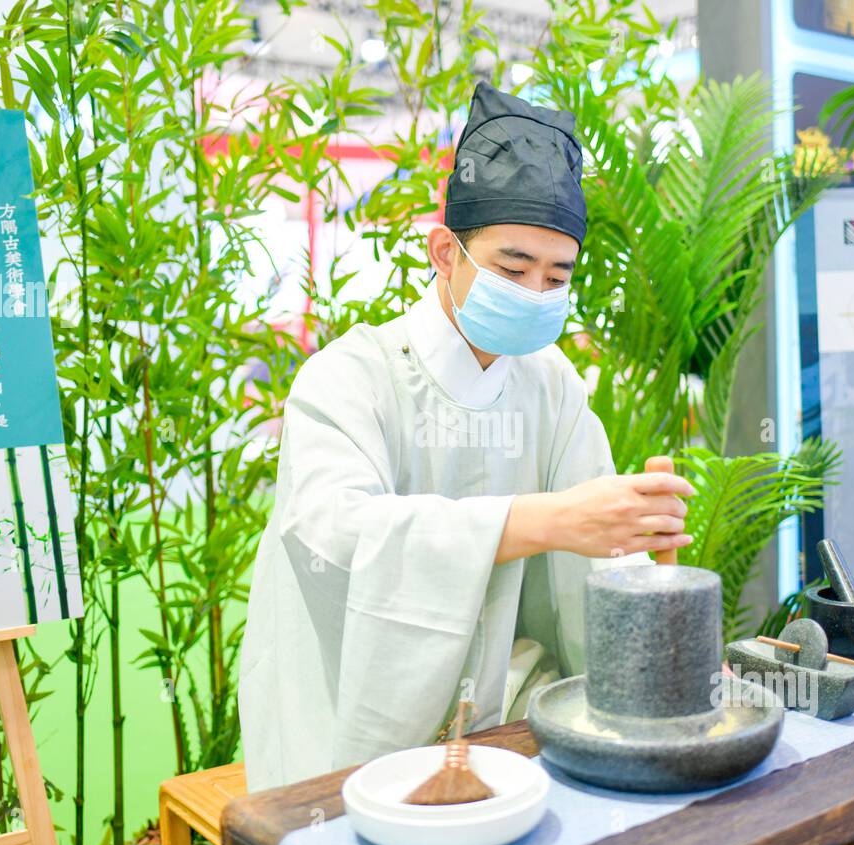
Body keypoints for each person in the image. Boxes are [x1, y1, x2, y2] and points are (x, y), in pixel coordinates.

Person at [238, 82, 692, 791]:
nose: (536, 293)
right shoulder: (349, 378)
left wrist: (661, 641)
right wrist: (537, 520)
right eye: (513, 269)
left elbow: (601, 555)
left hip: (499, 717)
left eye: (556, 276)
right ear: (444, 253)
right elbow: (335, 537)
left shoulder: (552, 386)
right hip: (347, 725)